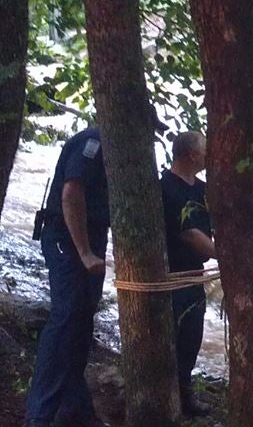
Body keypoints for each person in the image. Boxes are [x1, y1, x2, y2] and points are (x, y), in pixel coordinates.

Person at [26, 112, 166, 427]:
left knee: (80, 321)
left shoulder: (119, 153)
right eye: (148, 128)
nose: (149, 137)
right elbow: (71, 194)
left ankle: (74, 410)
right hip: (66, 235)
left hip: (91, 236)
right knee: (67, 318)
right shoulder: (96, 142)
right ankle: (39, 414)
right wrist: (85, 252)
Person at [160, 131, 215, 417]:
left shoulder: (202, 189)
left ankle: (184, 396)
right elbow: (191, 234)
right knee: (177, 339)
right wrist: (229, 258)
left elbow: (211, 227)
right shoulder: (167, 187)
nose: (209, 153)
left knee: (192, 338)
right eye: (205, 148)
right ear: (191, 155)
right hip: (172, 278)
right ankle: (175, 400)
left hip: (195, 274)